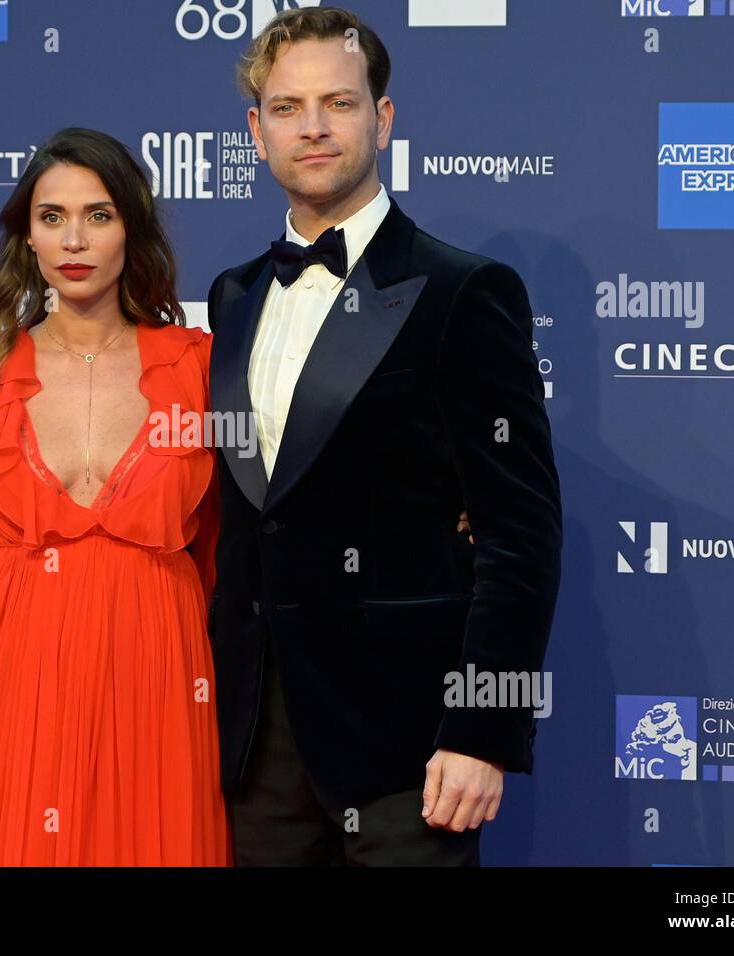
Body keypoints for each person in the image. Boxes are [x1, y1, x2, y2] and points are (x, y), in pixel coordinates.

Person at [206, 6, 563, 865]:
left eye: (340, 101)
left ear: (384, 117)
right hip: (256, 747)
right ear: (257, 132)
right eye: (288, 108)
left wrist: (483, 729)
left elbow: (519, 535)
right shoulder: (235, 296)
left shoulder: (461, 292)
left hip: (409, 748)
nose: (315, 127)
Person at [0, 128, 230, 866]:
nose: (74, 240)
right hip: (18, 689)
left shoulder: (202, 367)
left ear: (133, 227)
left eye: (98, 215)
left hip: (163, 686)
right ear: (26, 236)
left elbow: (241, 548)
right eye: (51, 217)